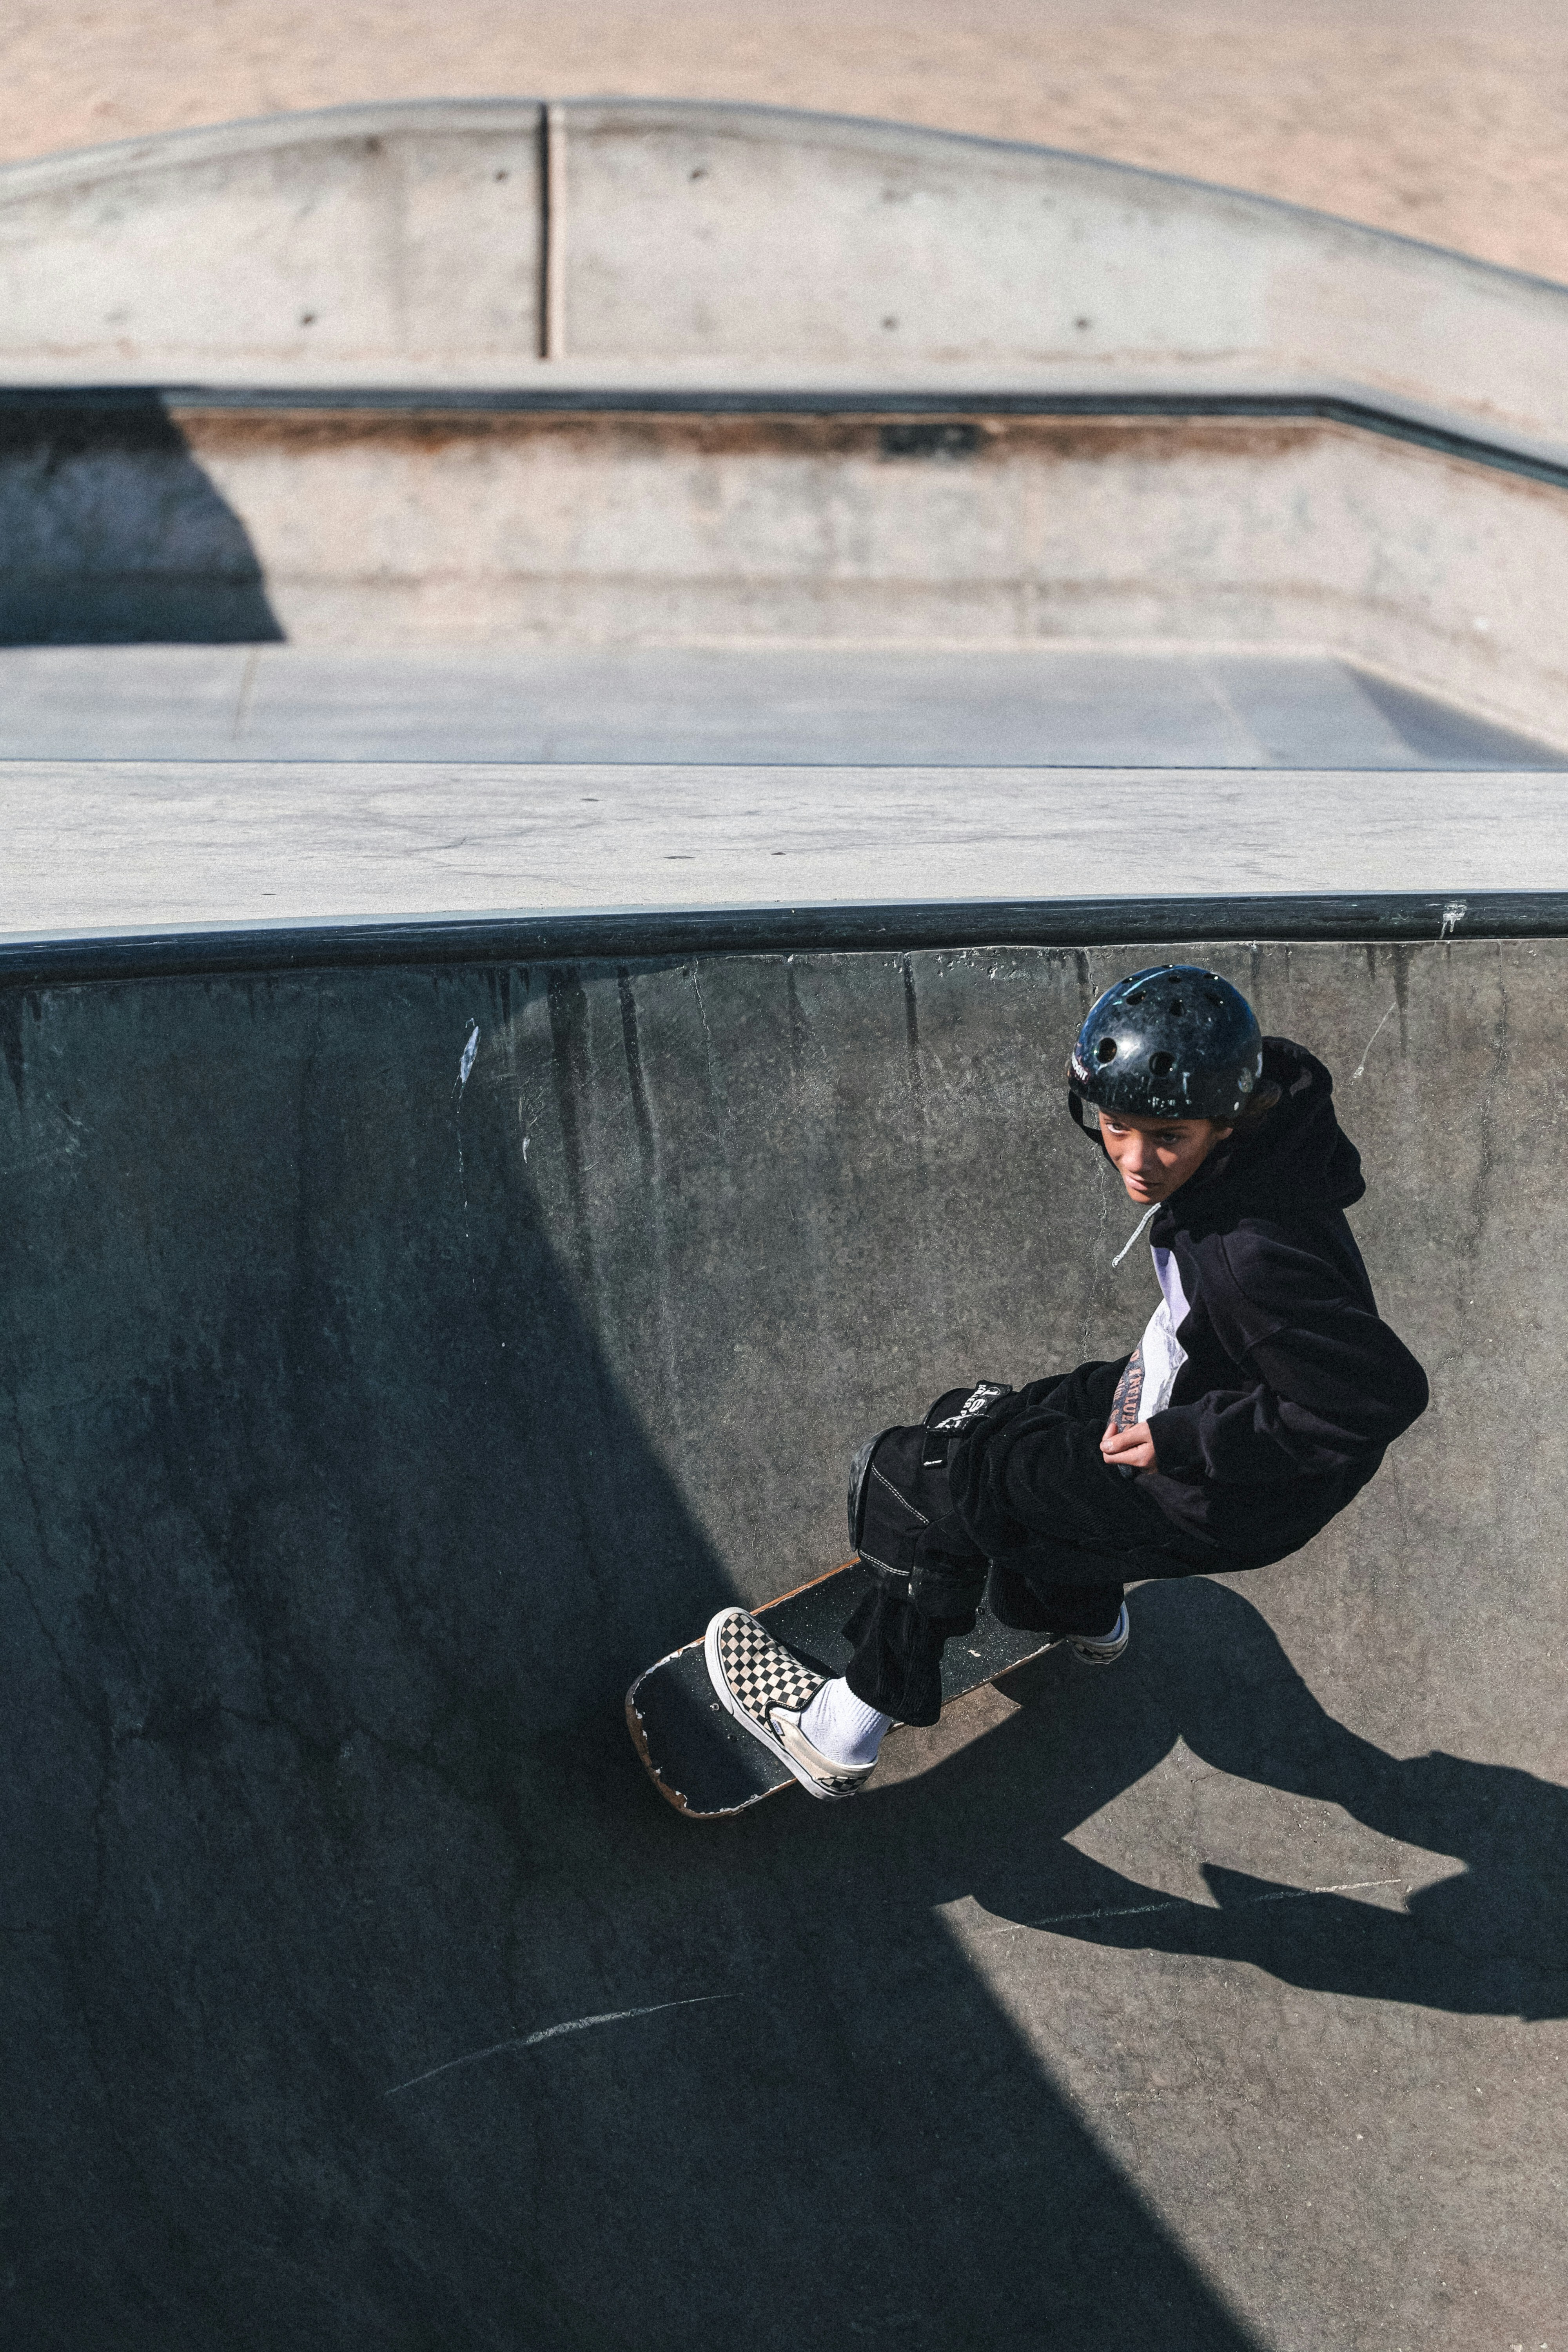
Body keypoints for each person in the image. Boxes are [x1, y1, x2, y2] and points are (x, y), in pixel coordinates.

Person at [704, 963, 1430, 1800]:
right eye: (1116, 1126)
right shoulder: (1272, 1152)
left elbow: (1376, 1397)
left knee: (933, 1476)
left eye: (1168, 1139)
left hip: (1207, 1486)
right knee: (999, 1415)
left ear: (1225, 1125)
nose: (1136, 1160)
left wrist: (1181, 1439)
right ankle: (1072, 1606)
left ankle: (844, 1726)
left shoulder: (1251, 1257)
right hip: (1186, 1394)